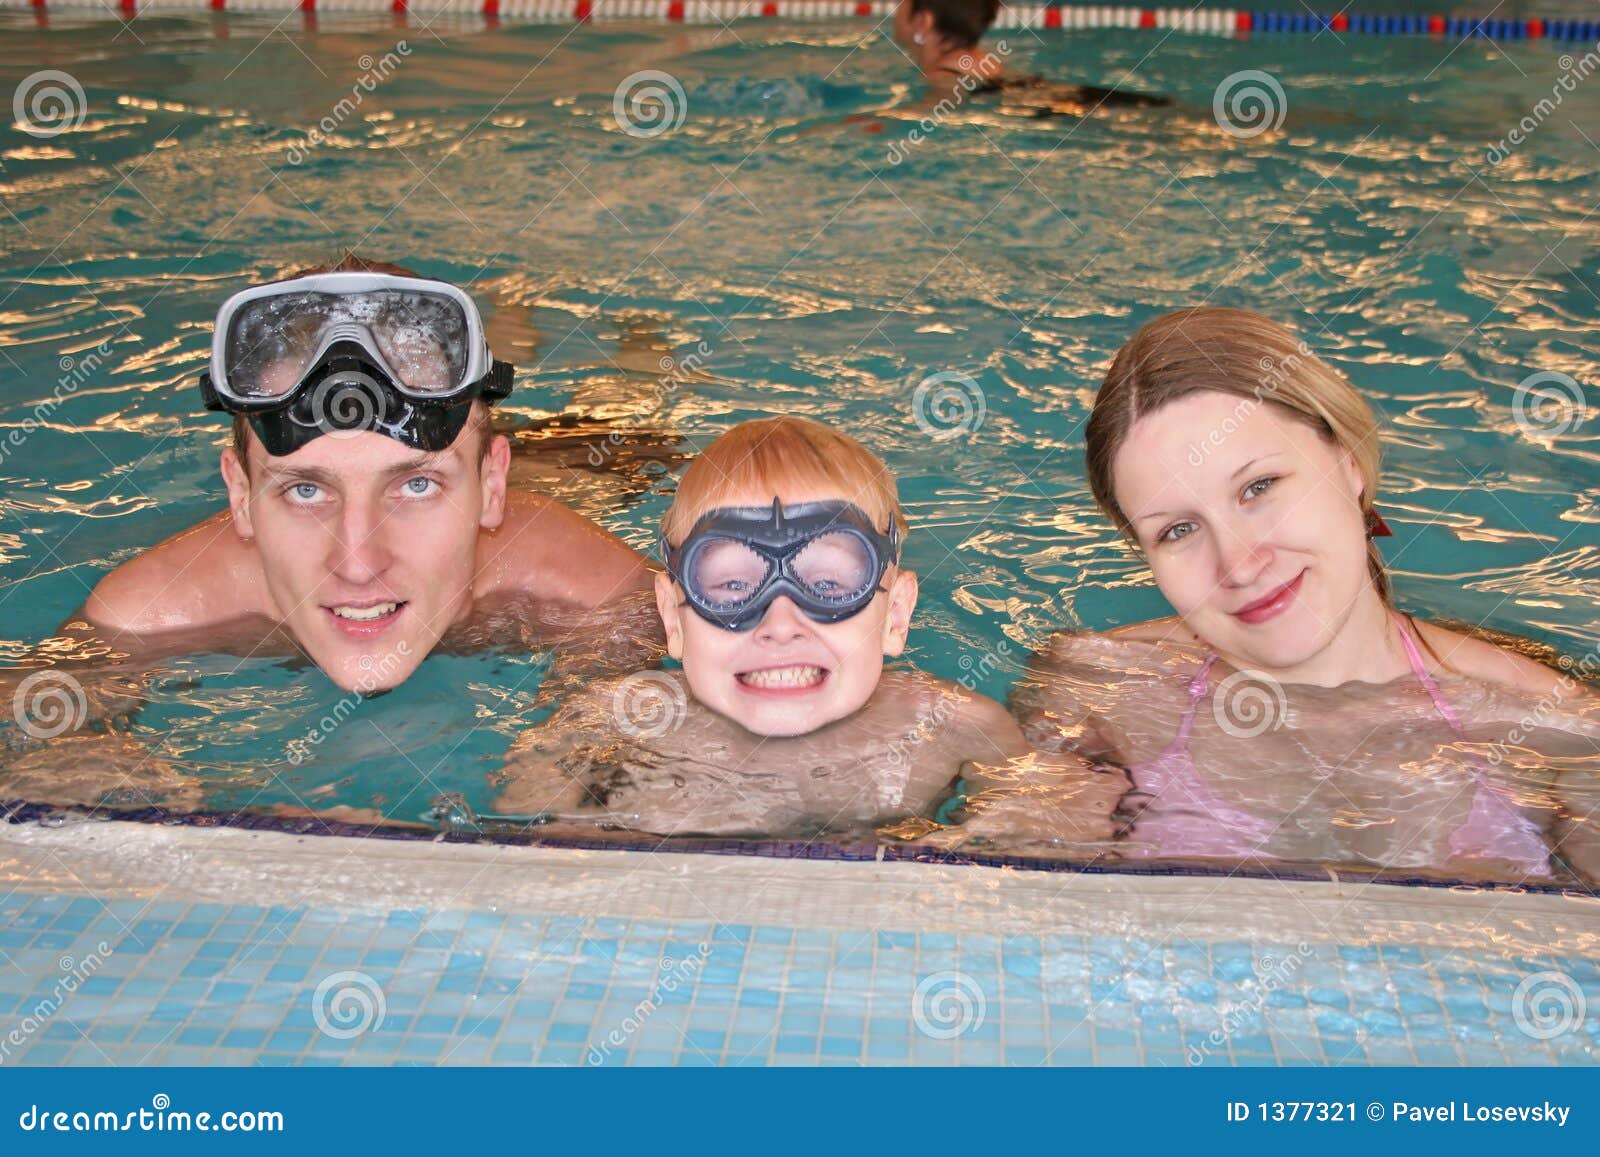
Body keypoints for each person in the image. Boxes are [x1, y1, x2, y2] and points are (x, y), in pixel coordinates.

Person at [1015, 307, 1600, 880]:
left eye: (1259, 487)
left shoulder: (1554, 729)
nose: (1240, 565)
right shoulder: (1100, 689)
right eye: (1177, 530)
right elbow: (1000, 905)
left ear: (1348, 463)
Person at [495, 416, 1124, 841]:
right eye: (732, 585)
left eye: (828, 584)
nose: (780, 623)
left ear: (895, 616)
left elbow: (1052, 841)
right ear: (673, 618)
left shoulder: (957, 726)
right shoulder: (612, 724)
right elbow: (521, 845)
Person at [77, 256, 656, 695]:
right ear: (242, 497)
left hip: (560, 487)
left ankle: (634, 338)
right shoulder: (145, 616)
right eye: (306, 490)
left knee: (618, 429)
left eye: (415, 485)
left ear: (493, 488)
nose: (357, 565)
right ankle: (515, 316)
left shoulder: (586, 587)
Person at [889, 0, 1168, 116]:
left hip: (1061, 111)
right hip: (1075, 98)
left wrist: (883, 118)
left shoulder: (942, 74)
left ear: (923, 21)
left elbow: (934, 112)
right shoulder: (985, 65)